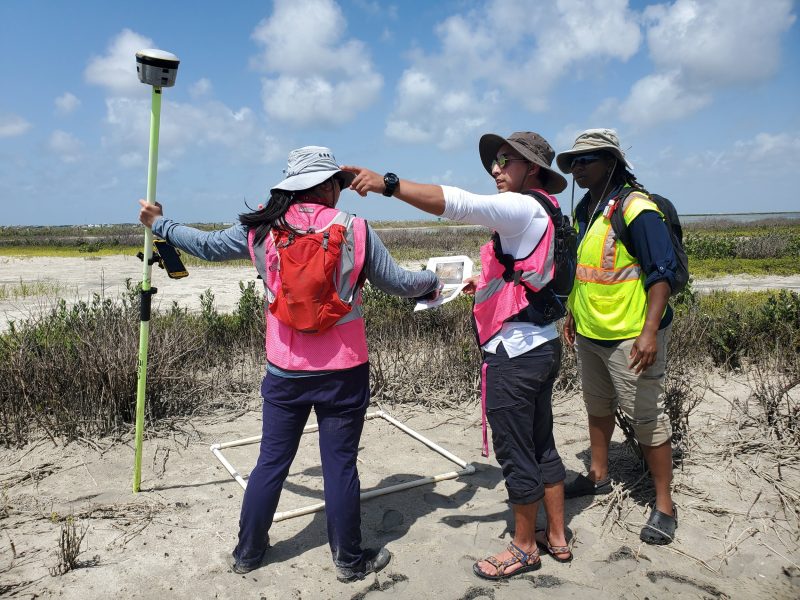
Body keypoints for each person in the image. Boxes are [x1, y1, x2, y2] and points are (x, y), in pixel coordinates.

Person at [138, 146, 440, 581]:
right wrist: (432, 282)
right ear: (329, 187)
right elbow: (398, 283)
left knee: (271, 463)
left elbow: (203, 246)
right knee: (340, 465)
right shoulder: (354, 227)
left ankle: (248, 553)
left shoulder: (261, 228)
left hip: (284, 370)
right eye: (337, 183)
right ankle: (349, 561)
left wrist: (159, 222)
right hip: (344, 369)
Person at [342, 131, 572, 581]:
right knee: (542, 440)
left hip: (514, 355)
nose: (496, 168)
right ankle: (557, 535)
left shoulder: (523, 206)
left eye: (507, 160)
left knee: (515, 449)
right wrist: (484, 283)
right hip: (542, 344)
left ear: (534, 169)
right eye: (496, 160)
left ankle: (525, 546)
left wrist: (387, 183)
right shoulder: (549, 209)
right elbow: (526, 273)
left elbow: (460, 203)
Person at [555, 129, 678, 545]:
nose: (577, 169)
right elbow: (584, 269)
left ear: (611, 161)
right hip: (590, 333)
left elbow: (661, 273)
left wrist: (649, 333)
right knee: (597, 407)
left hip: (630, 337)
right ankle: (598, 474)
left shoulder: (636, 207)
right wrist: (572, 312)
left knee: (647, 419)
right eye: (573, 162)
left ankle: (664, 506)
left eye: (586, 160)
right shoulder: (586, 210)